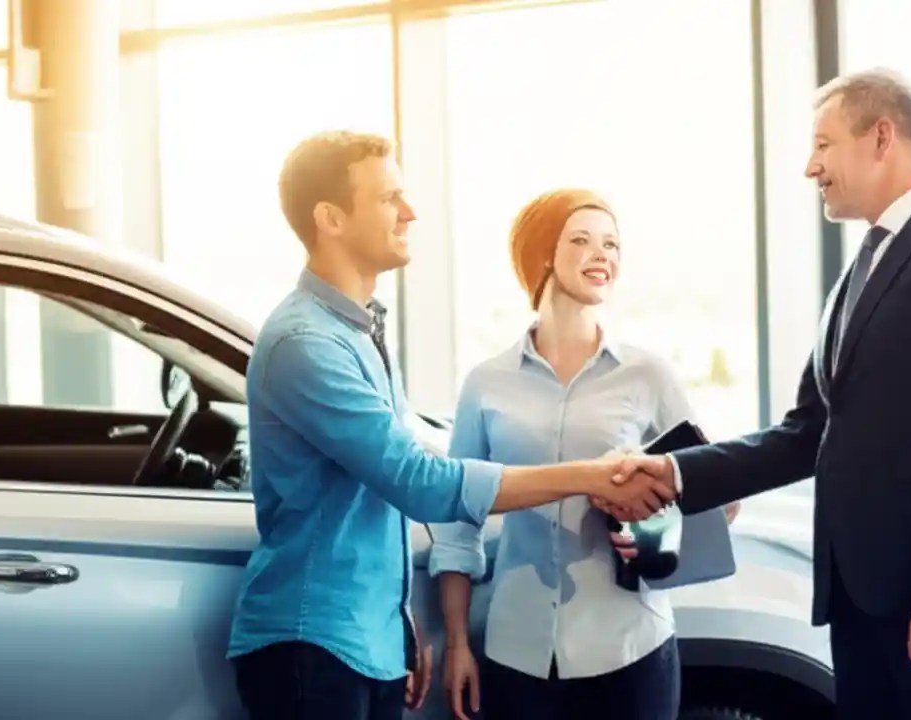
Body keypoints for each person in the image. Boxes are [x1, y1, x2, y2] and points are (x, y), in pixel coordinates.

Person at [609, 68, 911, 720]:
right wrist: (672, 474)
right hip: (859, 604)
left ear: (880, 137)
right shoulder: (857, 271)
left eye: (822, 144)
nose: (810, 167)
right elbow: (806, 434)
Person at [225, 132, 674, 720]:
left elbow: (376, 500)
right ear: (331, 218)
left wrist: (398, 626)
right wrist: (588, 475)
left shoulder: (359, 331)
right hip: (312, 641)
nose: (409, 212)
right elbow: (421, 483)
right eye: (389, 198)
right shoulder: (305, 344)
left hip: (365, 640)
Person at [428, 188, 740, 720]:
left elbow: (718, 497)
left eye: (613, 244)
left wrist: (649, 528)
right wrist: (457, 643)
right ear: (544, 253)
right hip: (517, 651)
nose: (604, 255)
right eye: (582, 239)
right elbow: (457, 527)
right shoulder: (486, 383)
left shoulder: (648, 373)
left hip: (631, 648)